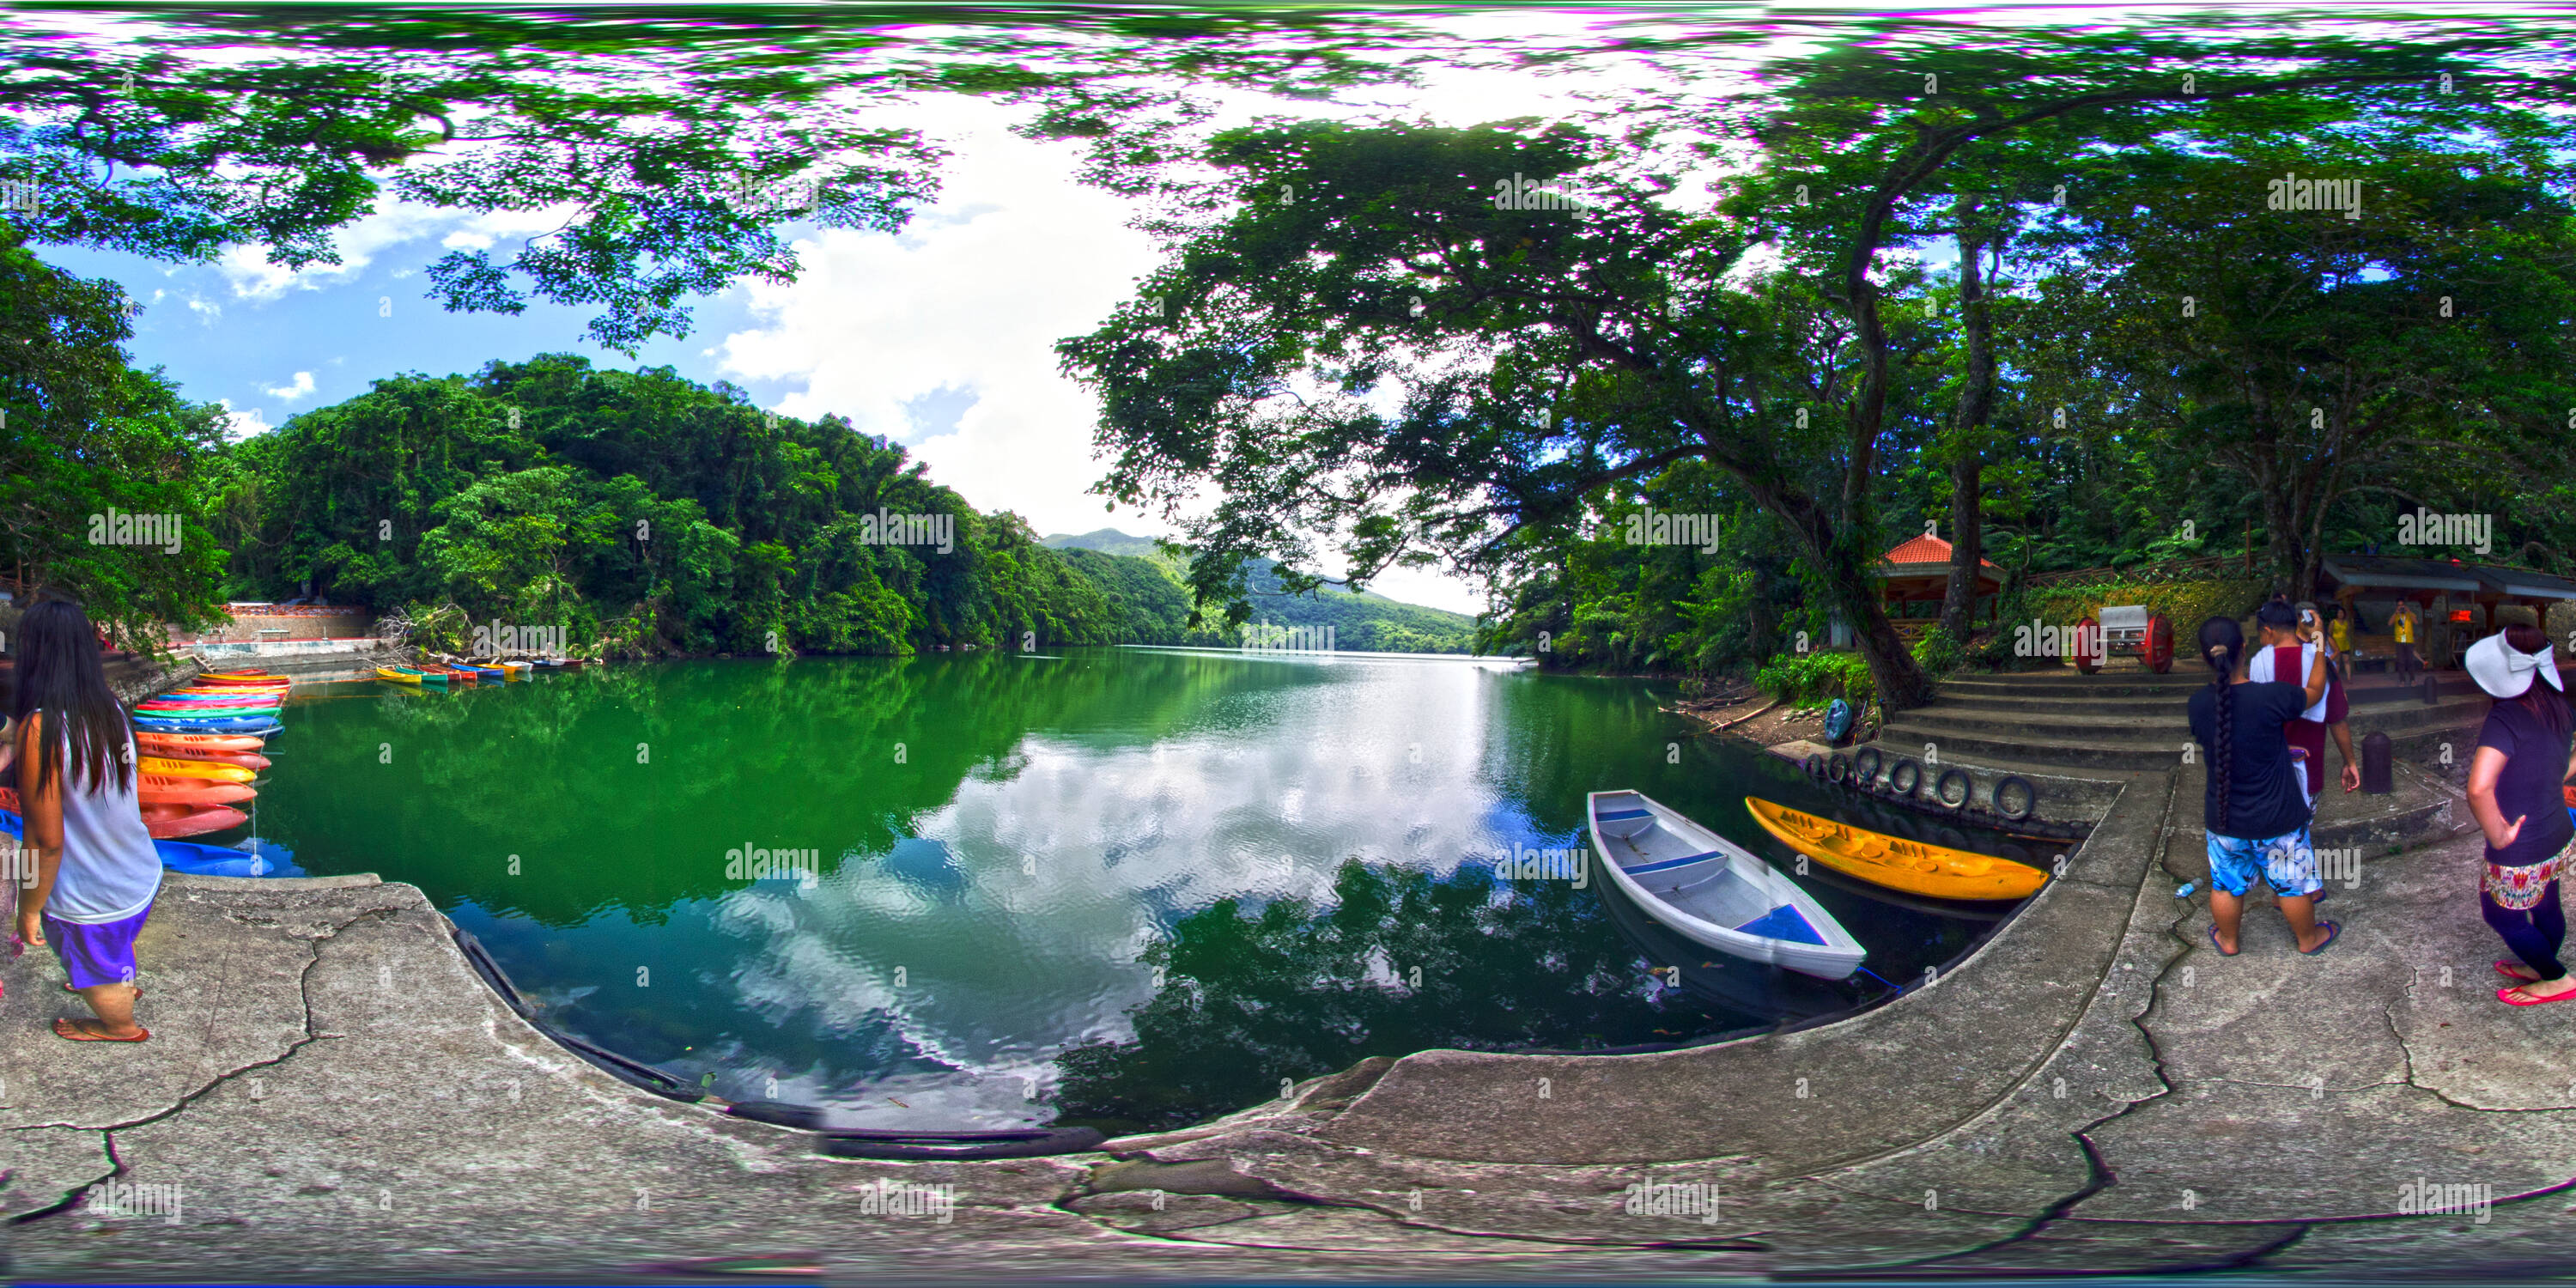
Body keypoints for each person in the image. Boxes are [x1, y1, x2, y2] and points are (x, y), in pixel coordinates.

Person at [11, 598, 161, 1042]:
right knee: (111, 946)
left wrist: (29, 907)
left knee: (94, 963)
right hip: (138, 874)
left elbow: (44, 841)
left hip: (92, 896)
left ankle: (118, 1023)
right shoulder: (108, 707)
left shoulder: (41, 728)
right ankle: (116, 974)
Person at [2189, 615, 2339, 956]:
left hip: (2224, 817)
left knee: (2227, 885)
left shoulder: (2197, 705)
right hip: (2278, 817)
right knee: (2292, 886)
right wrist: (2317, 643)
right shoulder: (2273, 697)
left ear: (2204, 658)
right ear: (2245, 648)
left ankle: (2228, 941)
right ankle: (2308, 939)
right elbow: (2315, 693)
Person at [2462, 627, 2576, 1005]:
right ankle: (2542, 962)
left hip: (2519, 843)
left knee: (2501, 916)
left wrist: (2498, 835)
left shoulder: (2507, 715)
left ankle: (2557, 978)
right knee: (2546, 900)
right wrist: (2553, 778)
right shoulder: (2558, 703)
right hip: (2558, 830)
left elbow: (2479, 788)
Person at [2247, 600, 2360, 805]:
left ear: (2268, 631)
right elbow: (2337, 720)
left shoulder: (2257, 664)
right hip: (2309, 770)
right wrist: (2350, 761)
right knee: (2301, 831)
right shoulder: (2321, 663)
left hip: (2267, 773)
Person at [2393, 602, 2420, 679]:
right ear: (2397, 607)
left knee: (2410, 661)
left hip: (2409, 641)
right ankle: (2402, 680)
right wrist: (2396, 613)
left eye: (2402, 605)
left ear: (2405, 606)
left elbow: (2416, 622)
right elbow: (2389, 623)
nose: (2401, 607)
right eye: (2399, 605)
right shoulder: (2396, 615)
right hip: (2399, 641)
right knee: (2401, 662)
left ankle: (2412, 679)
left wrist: (2409, 611)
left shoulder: (2410, 614)